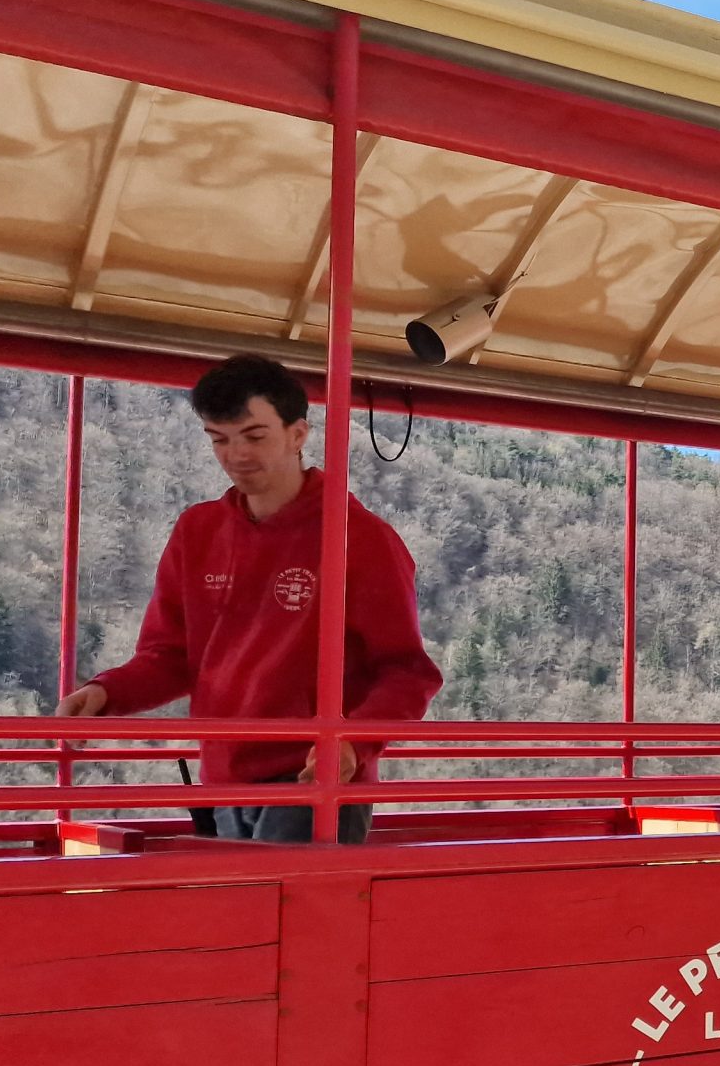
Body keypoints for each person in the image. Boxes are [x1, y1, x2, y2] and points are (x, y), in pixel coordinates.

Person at [55, 355, 442, 844]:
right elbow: (171, 656)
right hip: (222, 780)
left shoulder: (360, 538)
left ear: (298, 434)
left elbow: (408, 672)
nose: (236, 454)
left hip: (313, 780)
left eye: (254, 436)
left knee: (280, 897)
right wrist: (107, 693)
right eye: (219, 439)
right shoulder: (198, 532)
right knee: (237, 897)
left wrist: (352, 743)